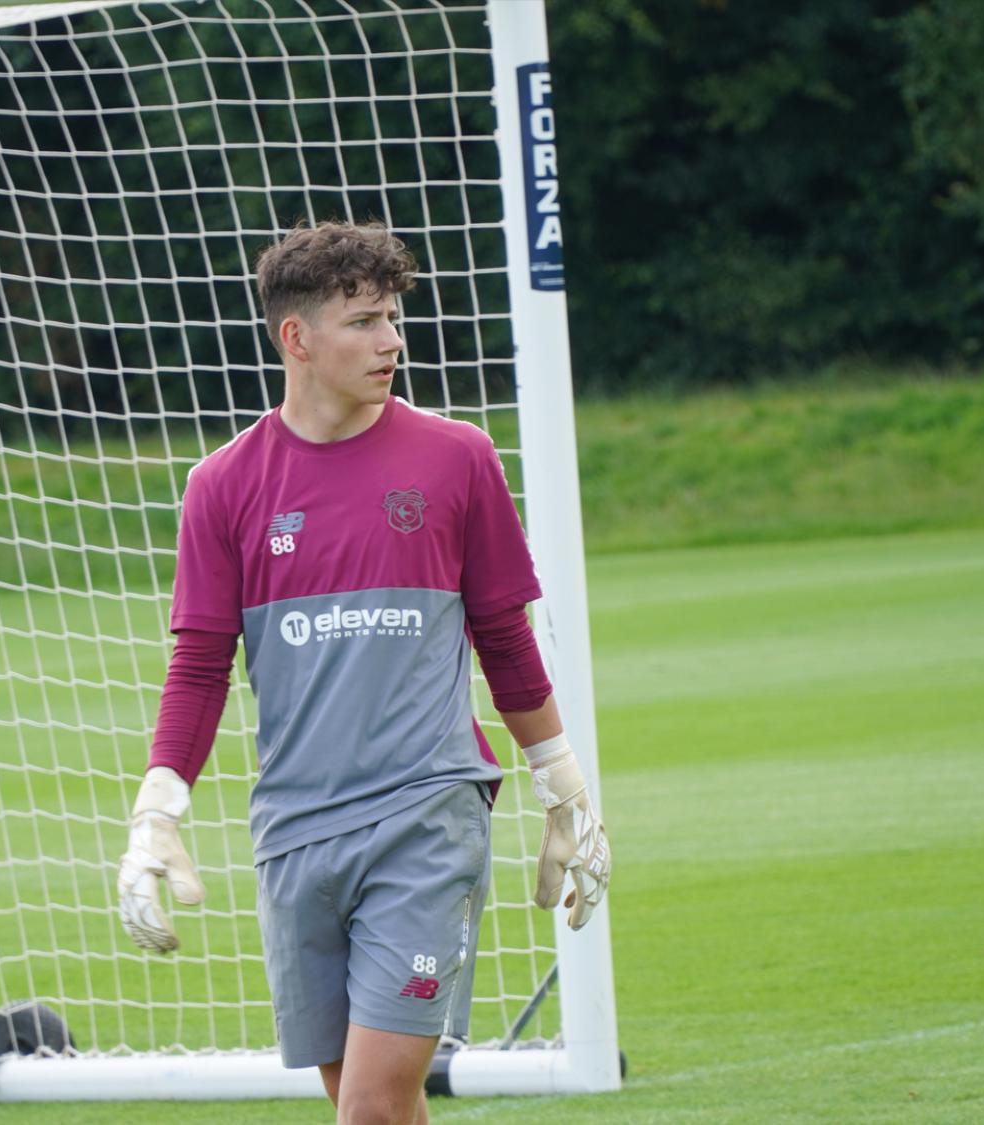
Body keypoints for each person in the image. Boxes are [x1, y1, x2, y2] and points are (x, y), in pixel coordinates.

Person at [117, 220, 611, 1125]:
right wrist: (157, 810)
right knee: (373, 1105)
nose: (392, 341)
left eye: (393, 317)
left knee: (373, 1109)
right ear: (295, 338)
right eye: (365, 322)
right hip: (296, 832)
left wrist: (564, 790)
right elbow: (199, 664)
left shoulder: (457, 457)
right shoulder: (222, 486)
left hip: (427, 815)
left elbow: (504, 636)